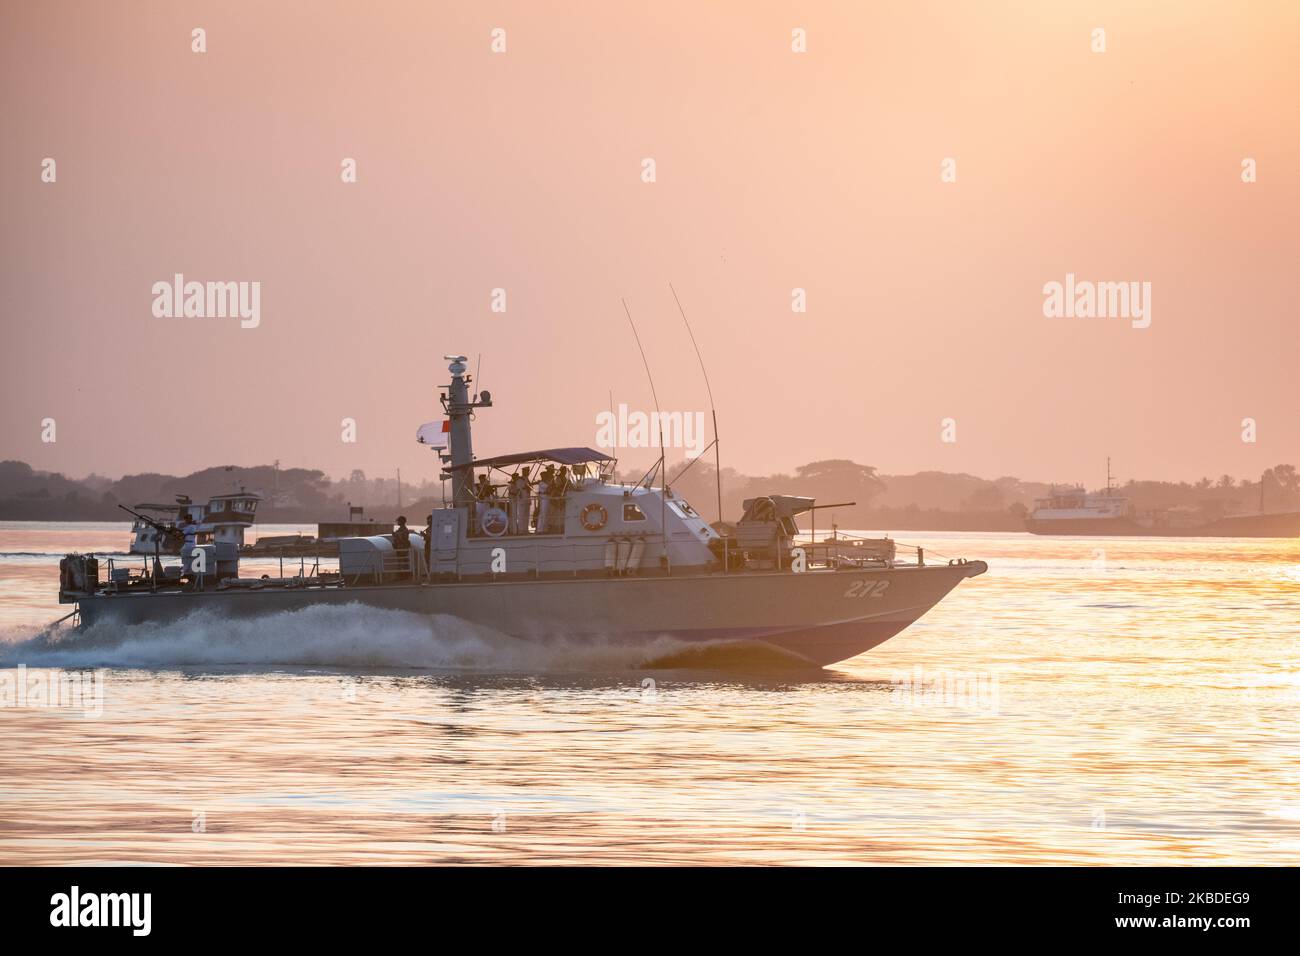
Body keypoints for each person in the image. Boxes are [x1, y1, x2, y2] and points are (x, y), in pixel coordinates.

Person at [536, 465, 554, 533]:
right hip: (544, 498)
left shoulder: (545, 482)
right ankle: (540, 529)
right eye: (545, 476)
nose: (546, 477)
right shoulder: (542, 483)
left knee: (546, 513)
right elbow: (548, 488)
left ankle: (545, 528)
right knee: (543, 513)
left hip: (547, 497)